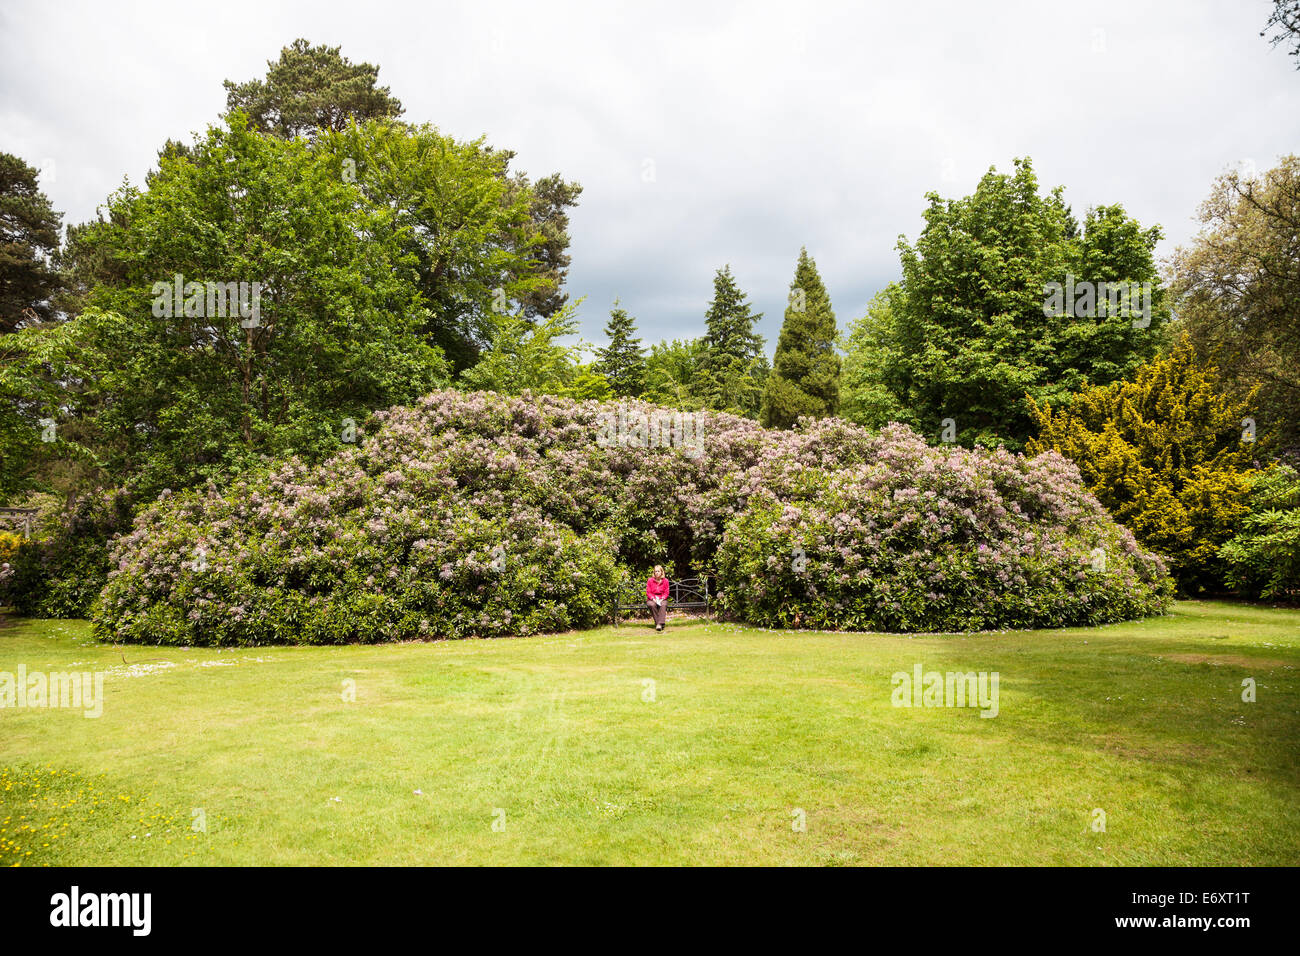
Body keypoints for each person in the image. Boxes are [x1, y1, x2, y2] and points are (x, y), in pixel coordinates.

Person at [646, 566, 670, 632]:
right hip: (652, 599)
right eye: (655, 571)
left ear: (661, 572)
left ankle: (659, 624)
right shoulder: (650, 580)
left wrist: (662, 599)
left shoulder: (665, 581)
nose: (657, 573)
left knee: (663, 604)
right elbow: (648, 592)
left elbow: (666, 592)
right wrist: (653, 599)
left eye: (658, 571)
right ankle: (660, 624)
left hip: (662, 598)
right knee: (651, 605)